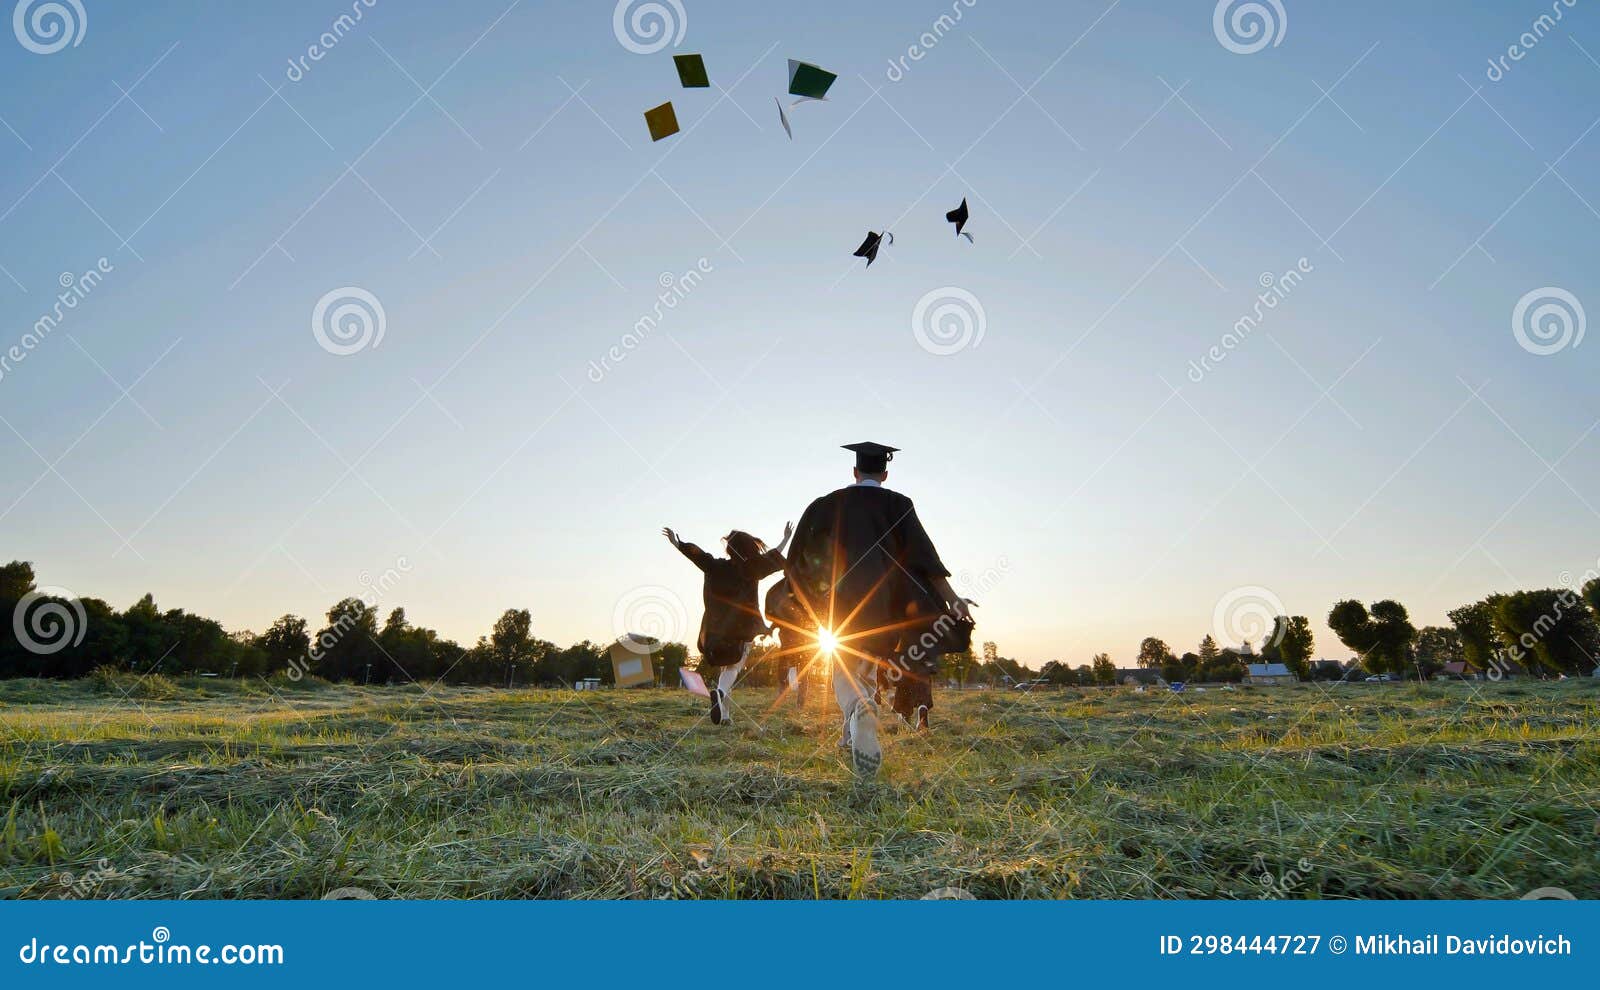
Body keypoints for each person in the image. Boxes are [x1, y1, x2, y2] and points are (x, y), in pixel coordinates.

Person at [786, 442, 967, 776]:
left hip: (840, 603)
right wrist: (952, 598)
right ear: (885, 473)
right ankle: (851, 731)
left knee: (843, 667)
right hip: (886, 606)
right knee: (867, 666)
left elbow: (798, 556)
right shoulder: (900, 504)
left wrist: (805, 595)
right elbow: (925, 557)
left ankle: (858, 710)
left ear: (854, 472)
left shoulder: (826, 505)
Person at [664, 523, 791, 725]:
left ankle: (725, 716)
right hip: (743, 628)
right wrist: (786, 538)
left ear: (730, 549)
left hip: (719, 628)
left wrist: (678, 544)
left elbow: (700, 557)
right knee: (732, 669)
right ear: (749, 548)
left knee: (726, 670)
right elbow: (772, 557)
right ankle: (720, 694)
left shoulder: (717, 566)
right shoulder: (752, 568)